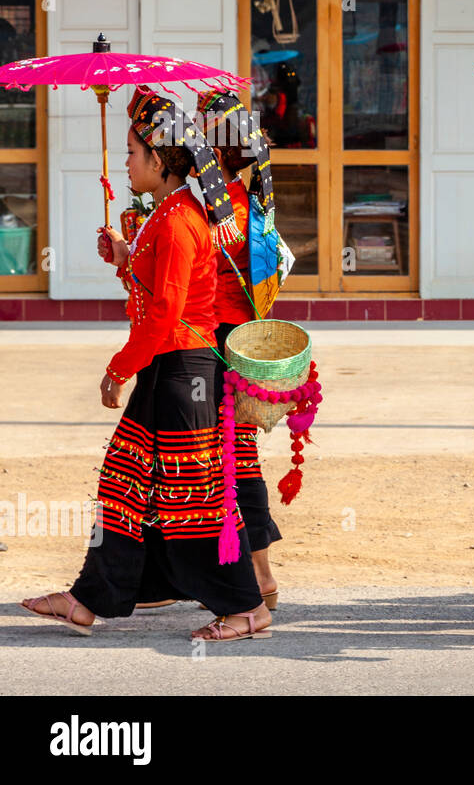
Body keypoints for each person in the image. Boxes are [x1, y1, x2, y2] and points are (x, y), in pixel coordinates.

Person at [20, 88, 272, 641]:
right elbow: (154, 289)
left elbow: (165, 313)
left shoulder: (181, 221)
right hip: (168, 367)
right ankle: (89, 599)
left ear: (159, 160)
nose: (126, 163)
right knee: (124, 483)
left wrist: (118, 366)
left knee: (191, 497)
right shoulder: (169, 213)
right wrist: (125, 257)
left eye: (132, 153)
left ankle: (247, 608)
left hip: (183, 369)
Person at [196, 89, 282, 610]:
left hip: (214, 338)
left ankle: (258, 574)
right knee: (233, 452)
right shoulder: (250, 204)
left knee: (226, 455)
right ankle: (258, 574)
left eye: (204, 129)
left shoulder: (215, 203)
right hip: (240, 335)